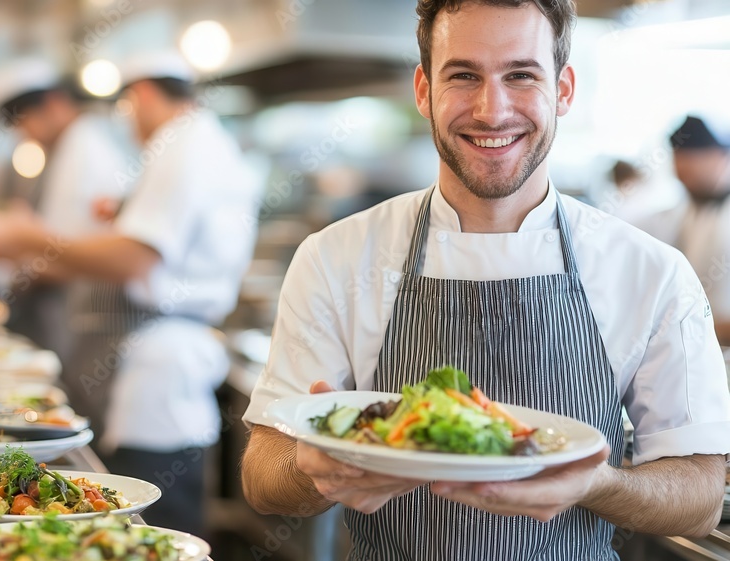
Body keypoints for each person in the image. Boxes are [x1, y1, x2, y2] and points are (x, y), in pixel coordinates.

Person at [240, 1, 730, 560]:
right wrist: (314, 471)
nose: (491, 110)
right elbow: (263, 473)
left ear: (564, 90)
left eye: (521, 75)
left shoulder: (651, 270)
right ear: (424, 89)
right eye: (463, 75)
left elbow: (701, 493)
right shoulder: (336, 256)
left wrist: (598, 484)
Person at [0, 52, 262, 536]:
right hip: (153, 357)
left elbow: (137, 257)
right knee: (137, 519)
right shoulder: (193, 144)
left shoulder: (185, 147)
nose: (126, 122)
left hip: (162, 367)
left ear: (141, 95)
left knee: (155, 526)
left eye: (125, 107)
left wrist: (25, 238)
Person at [0, 58, 126, 360]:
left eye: (24, 122)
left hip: (85, 315)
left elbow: (68, 256)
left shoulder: (85, 151)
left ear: (55, 103)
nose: (24, 135)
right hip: (73, 314)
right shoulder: (70, 147)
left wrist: (14, 242)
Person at [635, 115, 730, 344]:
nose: (681, 171)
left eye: (690, 161)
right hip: (695, 339)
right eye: (678, 162)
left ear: (718, 157)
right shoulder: (682, 212)